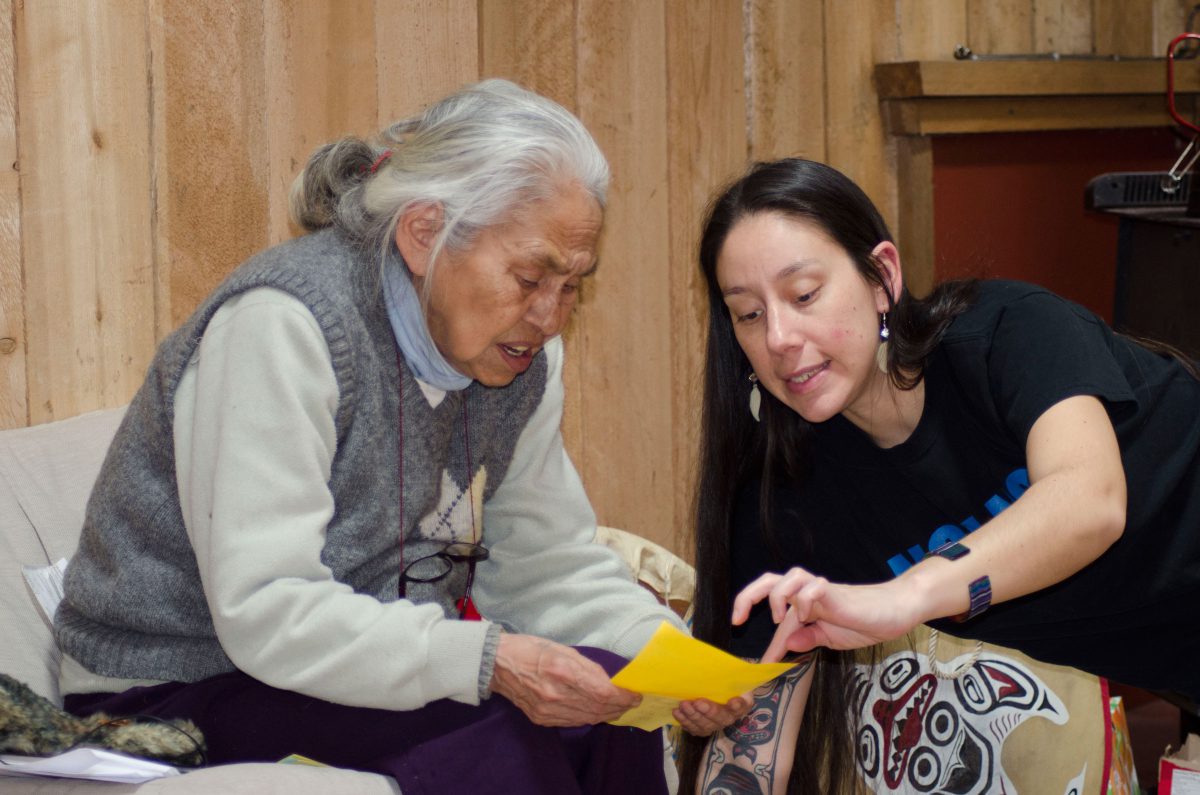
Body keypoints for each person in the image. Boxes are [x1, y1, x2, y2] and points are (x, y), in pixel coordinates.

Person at [53, 79, 741, 793]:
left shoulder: (520, 358)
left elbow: (549, 563)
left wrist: (676, 662)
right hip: (171, 683)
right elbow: (266, 607)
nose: (550, 314)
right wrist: (486, 657)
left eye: (573, 284)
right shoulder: (286, 325)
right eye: (531, 275)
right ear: (423, 234)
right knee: (499, 745)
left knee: (610, 703)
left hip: (342, 669)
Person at [679, 157, 1200, 793]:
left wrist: (903, 597)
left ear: (882, 279)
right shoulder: (786, 497)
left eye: (804, 294)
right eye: (748, 314)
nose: (780, 337)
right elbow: (747, 749)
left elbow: (1089, 503)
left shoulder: (1006, 332)